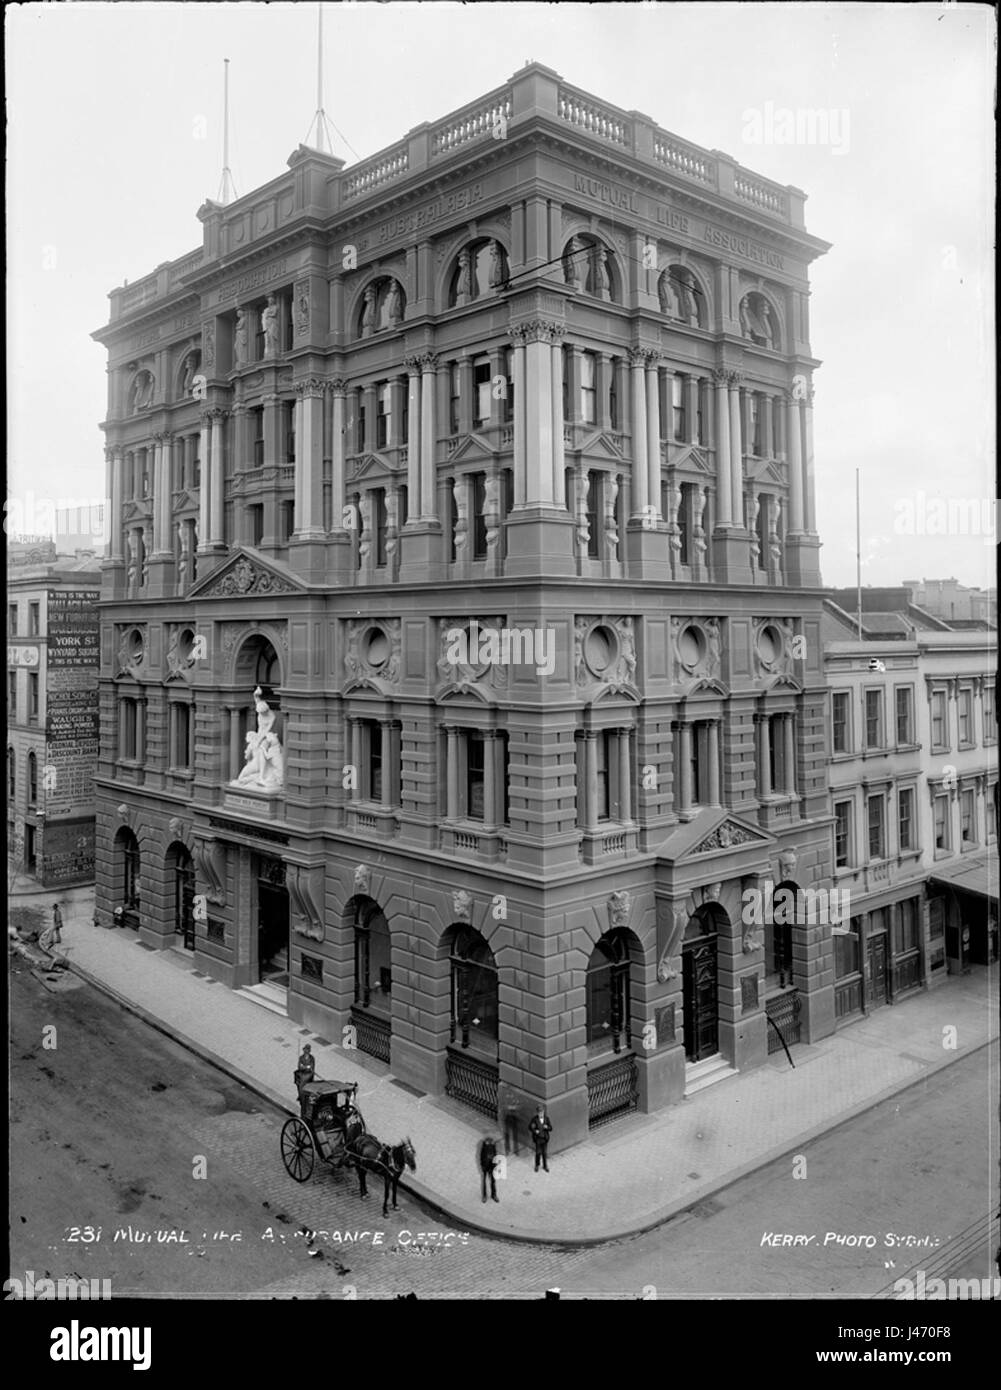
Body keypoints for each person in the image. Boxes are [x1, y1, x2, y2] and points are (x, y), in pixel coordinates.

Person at [529, 1104, 552, 1173]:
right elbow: (530, 1127)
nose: (541, 1114)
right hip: (538, 1139)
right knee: (538, 1153)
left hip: (544, 1138)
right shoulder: (534, 1119)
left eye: (542, 1112)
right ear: (537, 1113)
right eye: (539, 1112)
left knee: (544, 1153)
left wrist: (547, 1127)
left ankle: (545, 1166)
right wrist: (535, 1131)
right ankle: (537, 1165)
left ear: (544, 1112)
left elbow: (551, 1128)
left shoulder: (546, 1119)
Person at [479, 1136, 500, 1203]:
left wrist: (495, 1165)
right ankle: (484, 1196)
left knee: (493, 1182)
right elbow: (481, 1157)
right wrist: (482, 1166)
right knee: (484, 1181)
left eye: (491, 1142)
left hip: (492, 1166)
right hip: (485, 1166)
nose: (490, 1143)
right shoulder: (484, 1147)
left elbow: (495, 1154)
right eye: (489, 1142)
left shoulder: (493, 1146)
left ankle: (494, 1195)